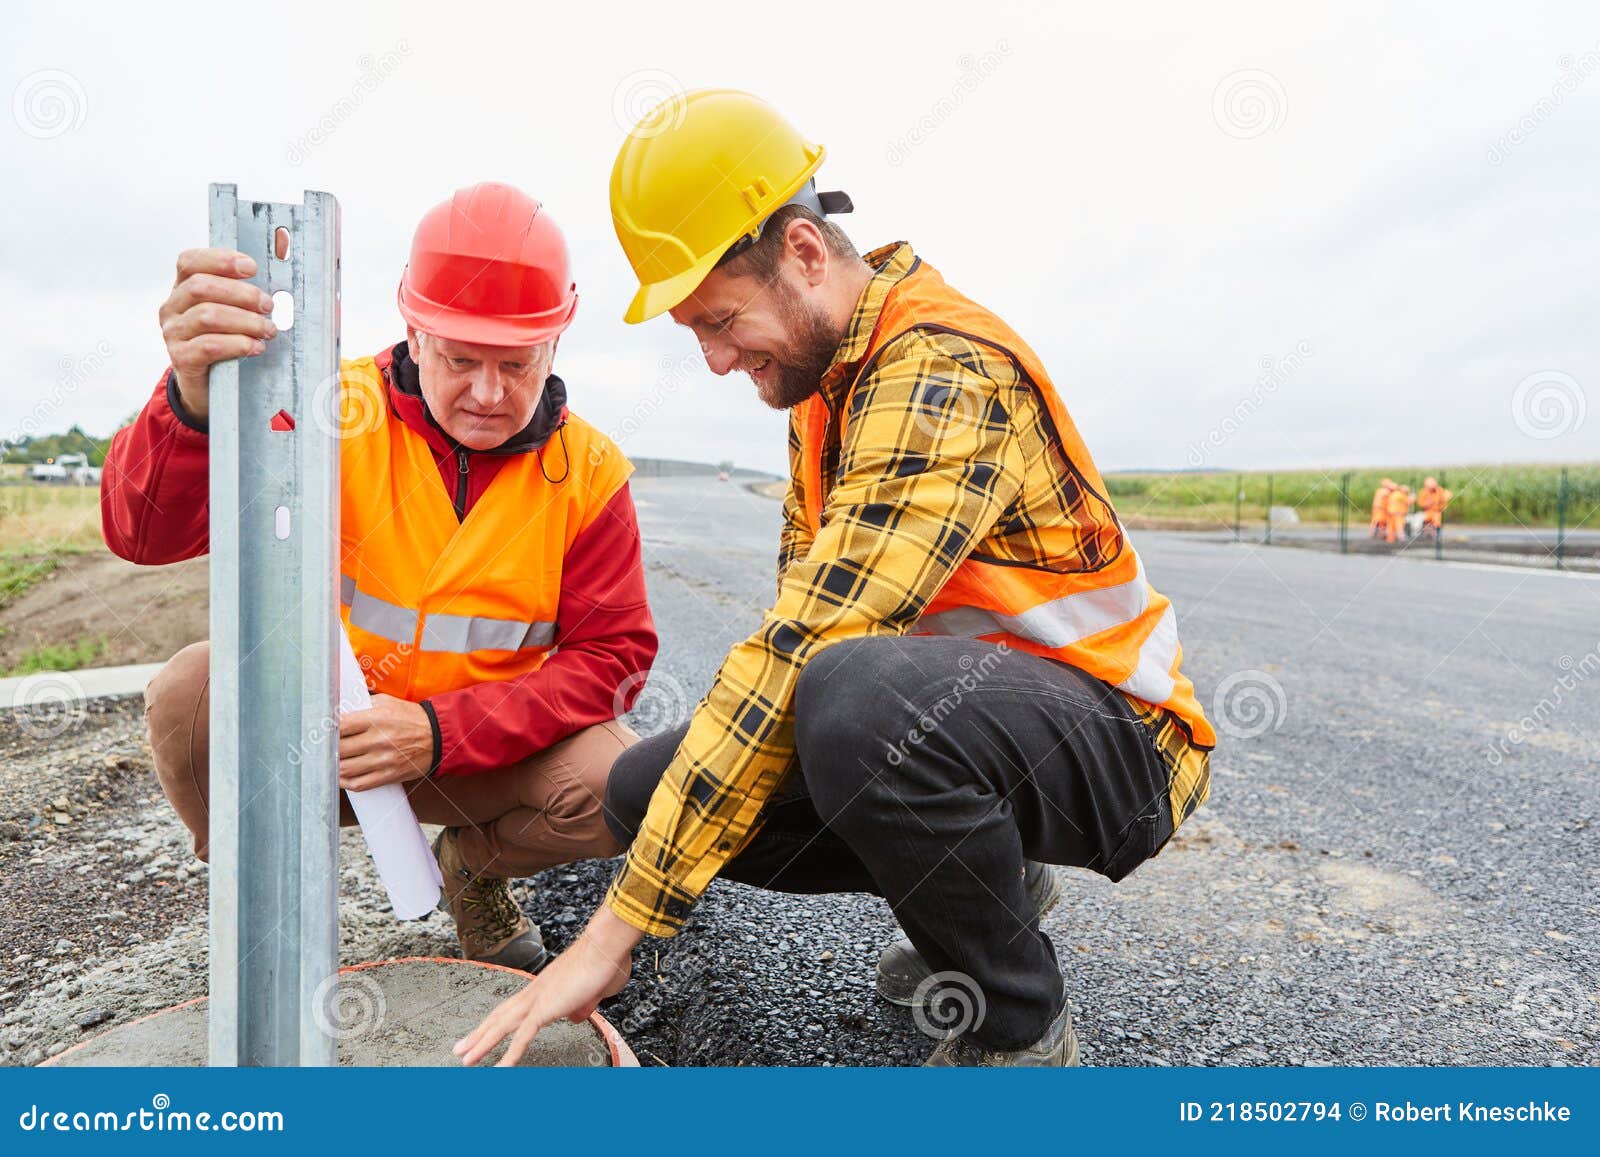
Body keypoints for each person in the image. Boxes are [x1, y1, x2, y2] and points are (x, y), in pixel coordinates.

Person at [457, 90, 1213, 1068]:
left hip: (1119, 739)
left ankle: (1018, 1033)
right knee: (654, 784)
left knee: (846, 696)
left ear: (805, 254)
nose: (718, 358)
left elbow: (809, 653)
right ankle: (994, 887)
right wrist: (665, 853)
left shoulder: (938, 369)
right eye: (696, 333)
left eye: (721, 320)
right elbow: (789, 651)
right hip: (982, 731)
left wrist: (617, 929)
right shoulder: (822, 397)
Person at [100, 183, 657, 972]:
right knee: (190, 692)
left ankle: (473, 871)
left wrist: (438, 732)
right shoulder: (326, 408)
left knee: (621, 783)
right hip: (312, 745)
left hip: (473, 760)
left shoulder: (590, 474)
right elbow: (142, 533)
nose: (489, 394)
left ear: (555, 345)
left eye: (517, 363)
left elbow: (614, 659)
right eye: (461, 359)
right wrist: (191, 400)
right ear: (415, 332)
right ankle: (256, 888)